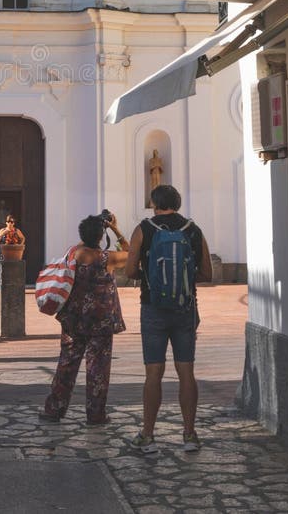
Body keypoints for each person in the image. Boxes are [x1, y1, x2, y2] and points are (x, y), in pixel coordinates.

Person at [124, 184, 213, 454]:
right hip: (185, 308)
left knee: (154, 372)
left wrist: (150, 275)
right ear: (178, 202)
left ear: (154, 203)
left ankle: (148, 434)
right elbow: (207, 273)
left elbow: (129, 270)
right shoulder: (193, 230)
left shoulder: (144, 229)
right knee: (186, 371)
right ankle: (189, 434)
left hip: (152, 308)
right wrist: (183, 280)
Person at [40, 211, 129, 425]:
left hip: (73, 319)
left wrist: (92, 231)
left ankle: (54, 409)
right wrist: (115, 229)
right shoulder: (107, 258)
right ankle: (96, 414)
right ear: (101, 236)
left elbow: (84, 243)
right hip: (101, 321)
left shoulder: (73, 252)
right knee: (98, 368)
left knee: (66, 364)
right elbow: (130, 252)